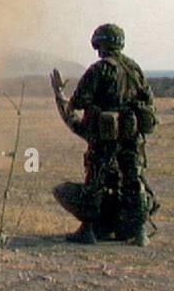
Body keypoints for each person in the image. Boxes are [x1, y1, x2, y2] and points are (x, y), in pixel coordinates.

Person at [51, 23, 158, 246]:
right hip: (131, 137)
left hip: (104, 137)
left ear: (100, 44)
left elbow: (79, 101)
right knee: (133, 179)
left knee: (95, 180)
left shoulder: (99, 70)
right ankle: (140, 232)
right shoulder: (134, 68)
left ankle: (88, 229)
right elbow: (148, 101)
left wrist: (61, 95)